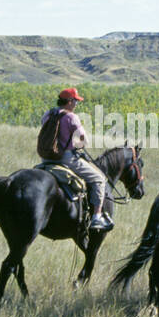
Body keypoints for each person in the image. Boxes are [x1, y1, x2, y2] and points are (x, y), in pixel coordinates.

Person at [40, 87, 112, 231]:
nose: (76, 104)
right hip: (66, 158)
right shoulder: (71, 117)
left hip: (46, 159)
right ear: (70, 101)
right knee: (99, 179)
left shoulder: (48, 114)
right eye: (76, 101)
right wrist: (77, 144)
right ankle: (97, 217)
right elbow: (83, 140)